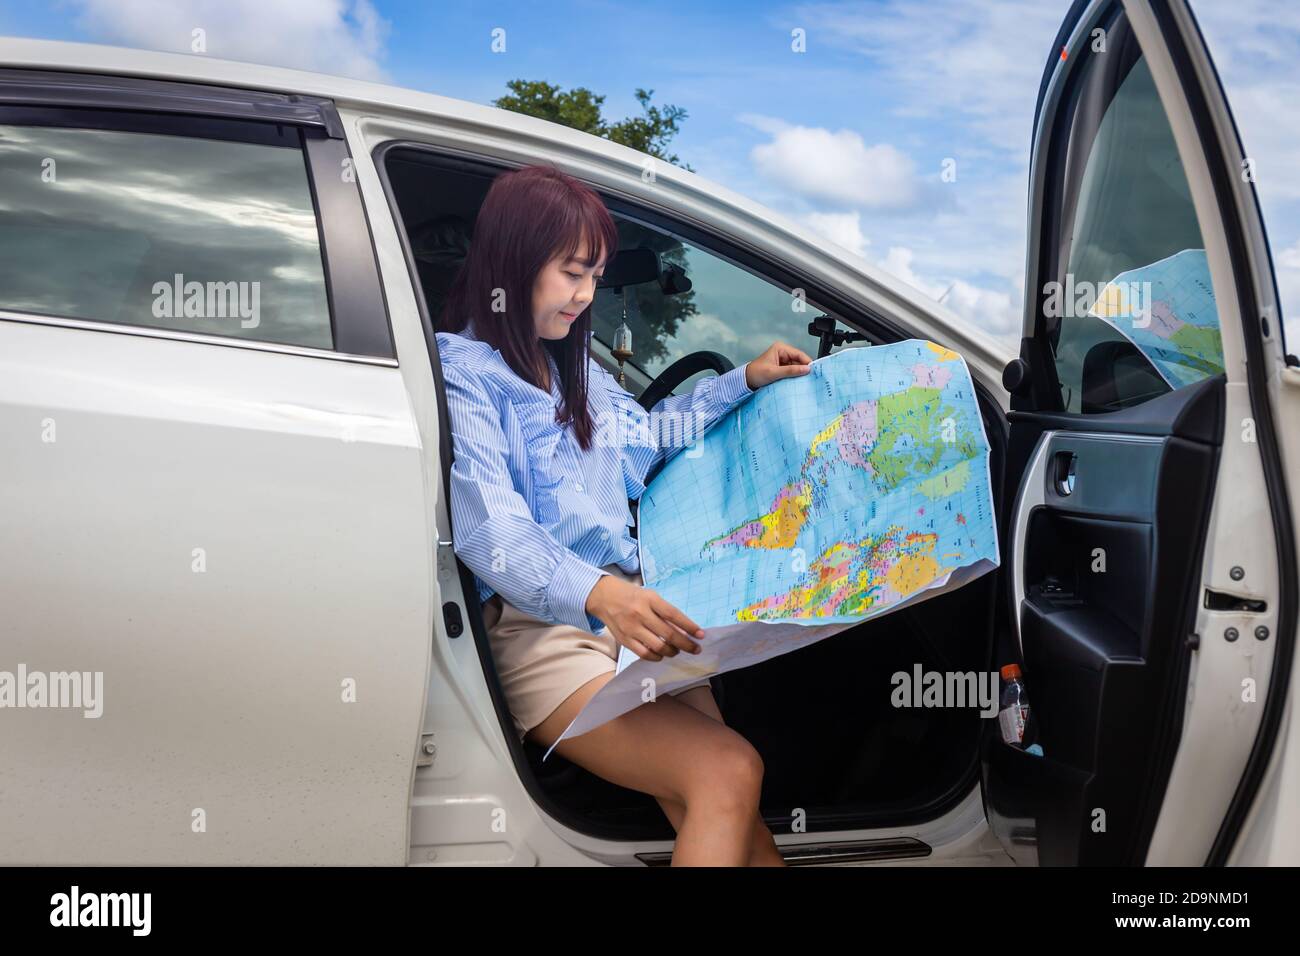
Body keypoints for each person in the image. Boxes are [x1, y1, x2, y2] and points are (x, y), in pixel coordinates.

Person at [434, 164, 812, 866]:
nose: (585, 296)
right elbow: (492, 531)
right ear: (513, 263)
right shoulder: (463, 371)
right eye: (571, 271)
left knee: (731, 807)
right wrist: (601, 594)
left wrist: (744, 380)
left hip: (629, 622)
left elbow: (650, 441)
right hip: (547, 635)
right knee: (727, 771)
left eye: (595, 277)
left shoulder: (576, 371)